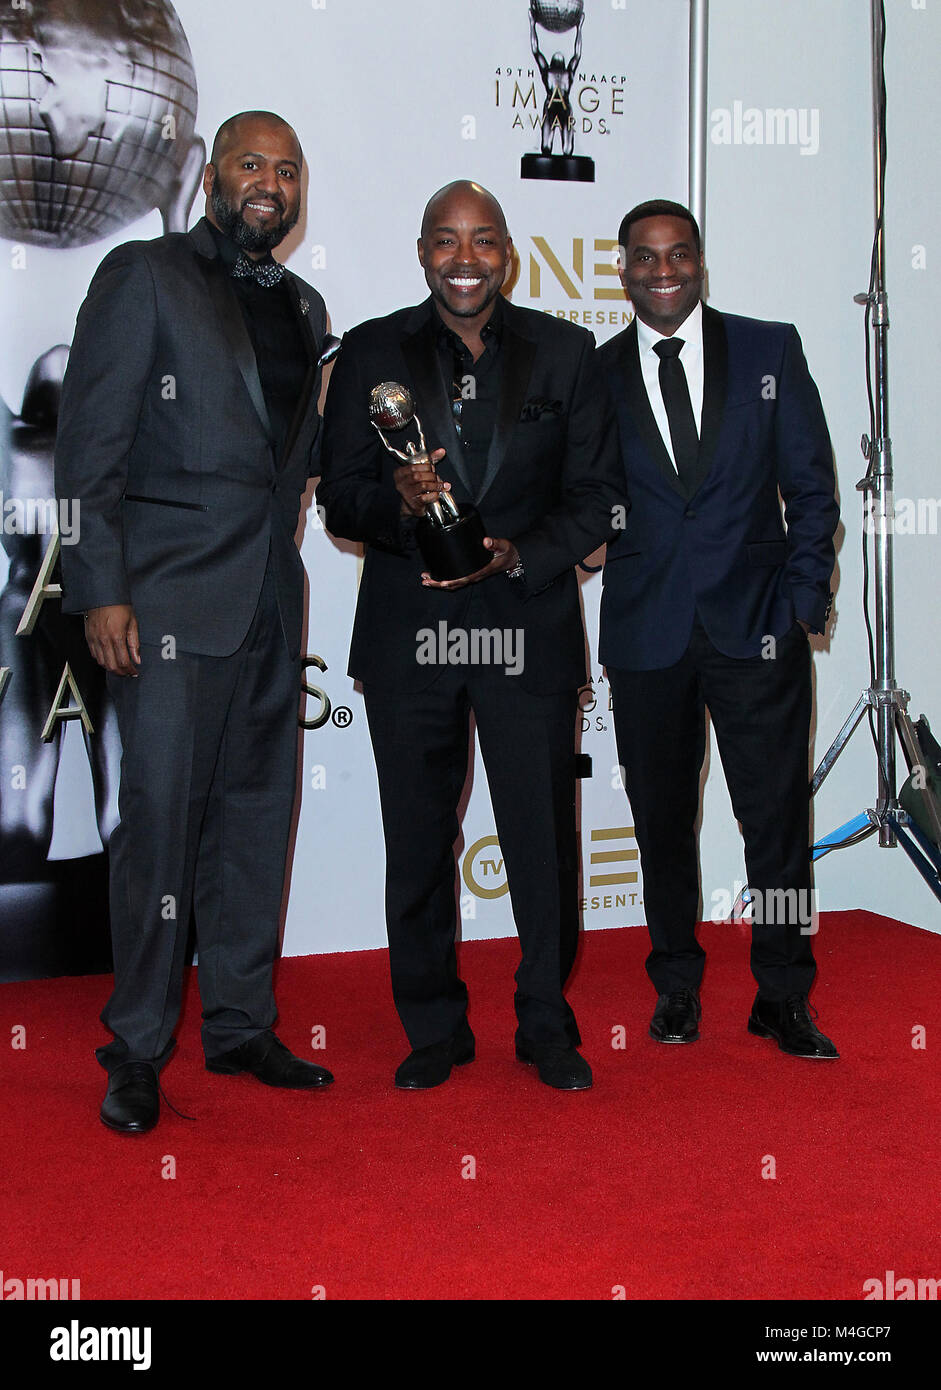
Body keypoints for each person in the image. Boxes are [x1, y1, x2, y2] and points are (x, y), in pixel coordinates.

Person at [54, 111, 333, 1133]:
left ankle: (240, 1024)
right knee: (160, 827)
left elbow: (289, 467)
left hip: (268, 601)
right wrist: (101, 588)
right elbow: (89, 445)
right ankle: (134, 1048)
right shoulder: (145, 275)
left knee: (256, 819)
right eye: (251, 163)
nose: (270, 183)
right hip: (165, 602)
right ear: (213, 175)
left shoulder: (304, 305)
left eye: (287, 170)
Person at [318, 180, 625, 1090]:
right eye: (445, 240)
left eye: (482, 239)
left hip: (525, 626)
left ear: (507, 255)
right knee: (417, 841)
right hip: (410, 632)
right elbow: (339, 499)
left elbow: (598, 498)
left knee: (541, 840)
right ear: (422, 252)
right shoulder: (371, 349)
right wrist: (399, 507)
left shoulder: (566, 352)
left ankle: (545, 1023)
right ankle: (433, 1028)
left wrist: (520, 556)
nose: (464, 258)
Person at [598, 199, 840, 1058]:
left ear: (701, 263)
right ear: (622, 269)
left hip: (759, 628)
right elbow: (581, 498)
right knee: (660, 825)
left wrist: (801, 603)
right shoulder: (595, 373)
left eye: (679, 255)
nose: (663, 271)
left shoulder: (768, 350)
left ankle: (783, 994)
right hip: (646, 634)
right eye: (645, 257)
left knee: (775, 823)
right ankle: (675, 986)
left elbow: (811, 487)